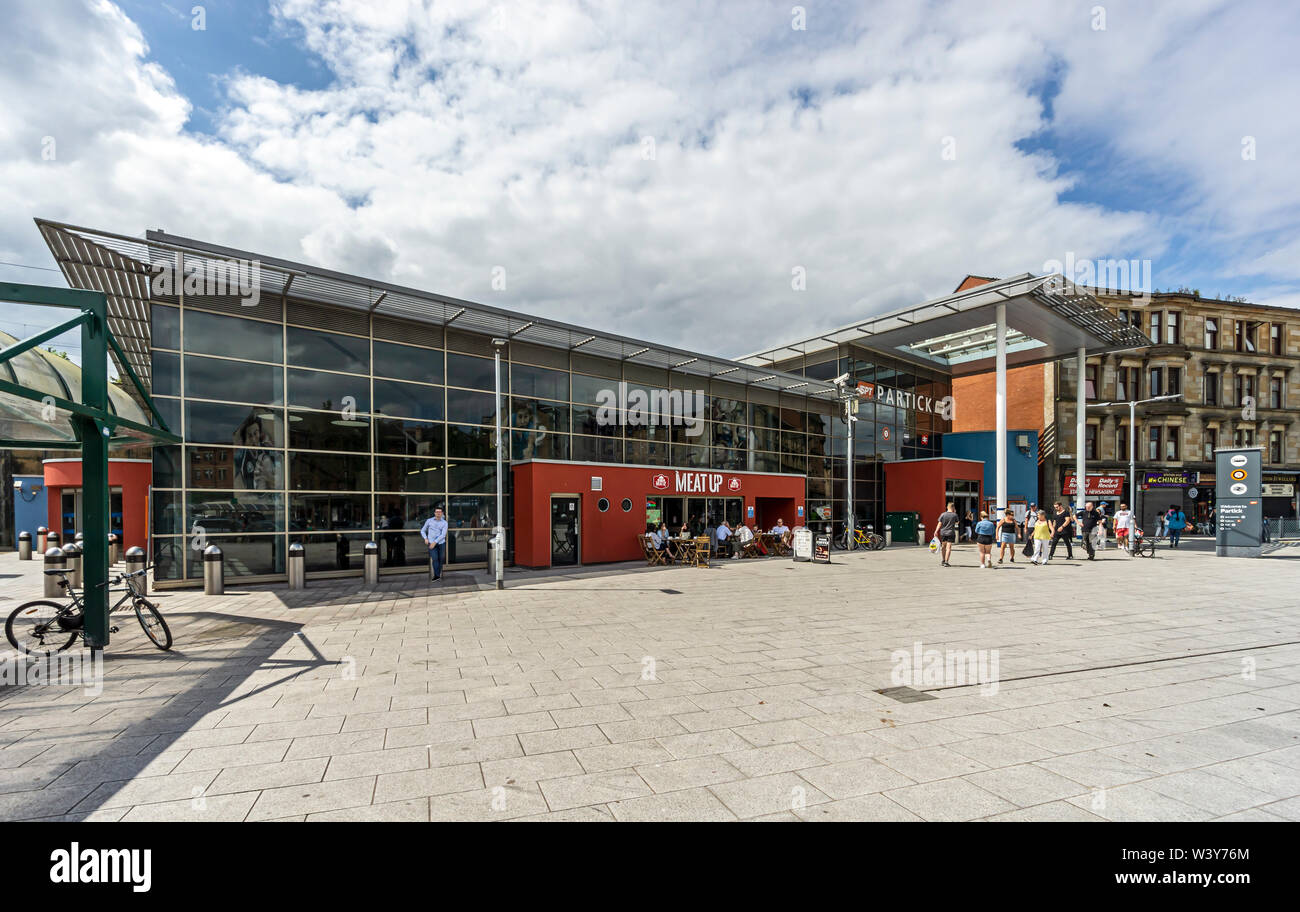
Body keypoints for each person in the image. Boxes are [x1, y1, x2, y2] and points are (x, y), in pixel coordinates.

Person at [420, 505, 448, 582]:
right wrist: (425, 538)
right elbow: (422, 530)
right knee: (435, 559)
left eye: (440, 512)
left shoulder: (445, 523)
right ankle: (437, 575)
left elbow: (443, 535)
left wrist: (435, 542)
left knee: (440, 559)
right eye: (437, 512)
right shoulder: (429, 521)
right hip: (431, 543)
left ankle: (437, 575)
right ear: (434, 513)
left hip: (441, 543)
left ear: (442, 513)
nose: (438, 513)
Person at [935, 502, 959, 567]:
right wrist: (955, 512)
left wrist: (936, 531)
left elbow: (939, 524)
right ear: (953, 508)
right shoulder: (954, 515)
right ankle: (946, 562)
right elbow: (957, 522)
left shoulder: (942, 514)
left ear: (947, 507)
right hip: (951, 533)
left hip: (943, 533)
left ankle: (943, 560)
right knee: (948, 548)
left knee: (943, 547)